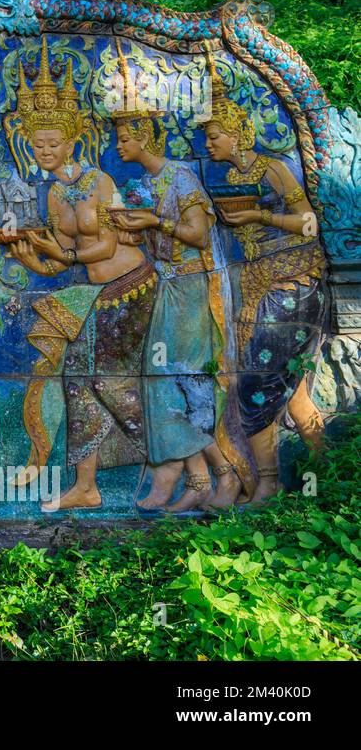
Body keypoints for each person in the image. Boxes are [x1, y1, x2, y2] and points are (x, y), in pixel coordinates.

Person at [4, 38, 156, 511]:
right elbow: (61, 256)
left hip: (130, 286)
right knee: (77, 377)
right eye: (36, 144)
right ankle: (86, 486)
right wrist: (26, 254)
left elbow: (106, 245)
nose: (43, 151)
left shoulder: (98, 181)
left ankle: (182, 452)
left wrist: (63, 257)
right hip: (96, 290)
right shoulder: (53, 194)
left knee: (108, 378)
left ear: (71, 141)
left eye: (52, 143)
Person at [107, 42, 248, 512]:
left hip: (192, 286)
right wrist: (133, 227)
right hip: (169, 284)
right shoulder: (150, 183)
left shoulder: (183, 177)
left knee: (185, 379)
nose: (118, 145)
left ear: (144, 138)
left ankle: (219, 475)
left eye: (124, 137)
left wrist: (153, 223)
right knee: (160, 379)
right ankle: (196, 475)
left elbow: (200, 236)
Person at [201, 52, 328, 504]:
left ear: (237, 133)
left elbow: (310, 222)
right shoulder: (232, 176)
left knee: (257, 384)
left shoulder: (270, 167)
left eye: (214, 135)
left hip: (293, 285)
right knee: (288, 389)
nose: (209, 144)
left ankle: (270, 484)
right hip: (261, 285)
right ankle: (328, 478)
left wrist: (260, 216)